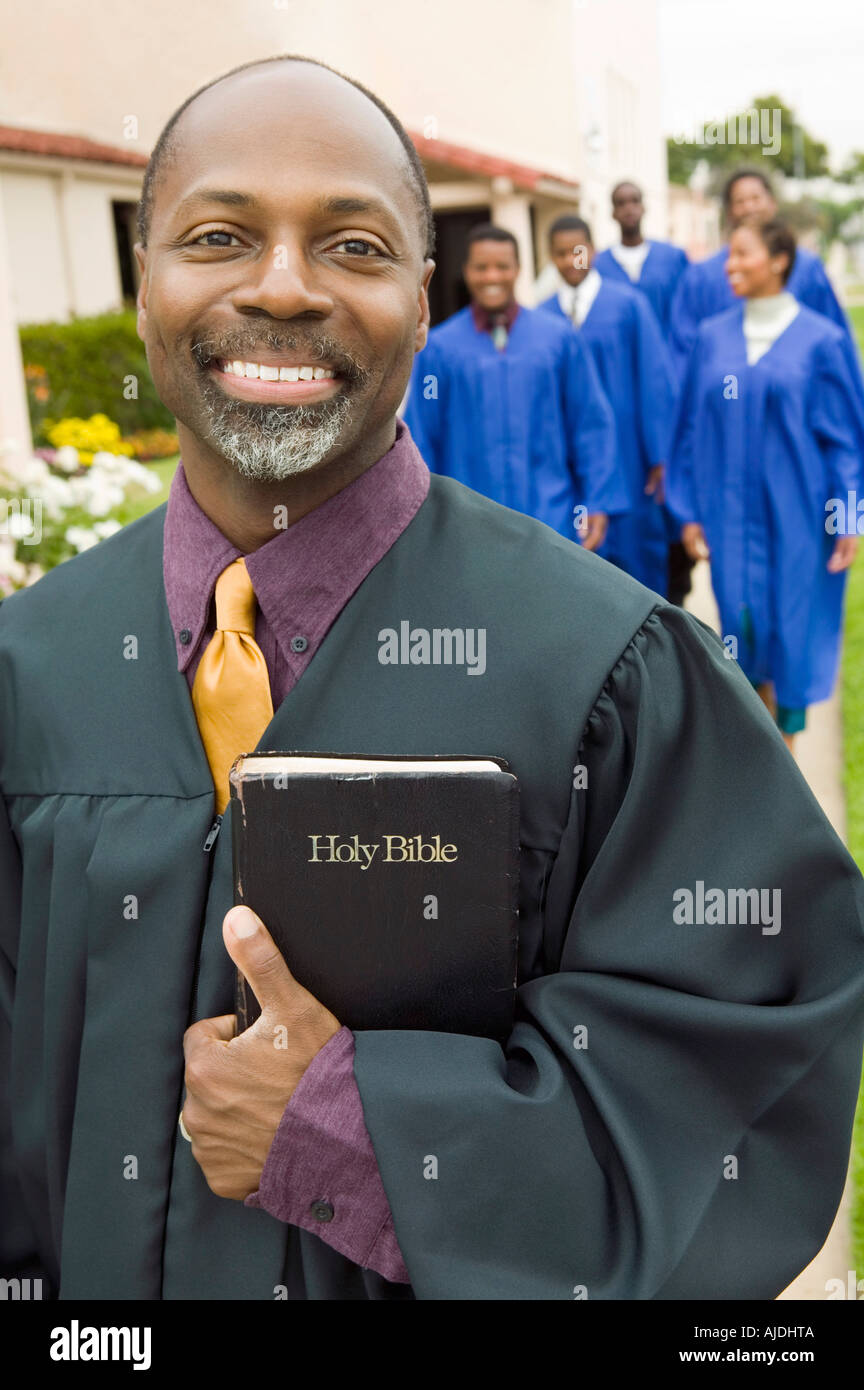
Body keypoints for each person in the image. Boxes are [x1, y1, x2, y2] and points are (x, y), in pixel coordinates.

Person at [2, 55, 864, 1304]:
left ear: (420, 293)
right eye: (220, 234)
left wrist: (351, 1131)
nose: (282, 285)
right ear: (147, 278)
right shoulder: (33, 671)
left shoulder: (607, 677)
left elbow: (736, 1094)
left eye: (351, 244)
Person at [667, 216, 864, 753]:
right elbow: (687, 428)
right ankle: (761, 761)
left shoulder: (820, 340)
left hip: (799, 513)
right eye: (728, 255)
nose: (729, 266)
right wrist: (687, 511)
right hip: (730, 516)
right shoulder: (713, 337)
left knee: (792, 633)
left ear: (779, 261)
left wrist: (849, 515)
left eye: (743, 255)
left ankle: (787, 766)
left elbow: (845, 437)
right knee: (741, 625)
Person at [403, 223, 623, 549]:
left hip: (551, 521)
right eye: (481, 267)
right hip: (470, 528)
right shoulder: (439, 350)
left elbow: (589, 424)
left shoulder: (559, 340)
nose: (492, 276)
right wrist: (425, 519)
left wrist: (596, 500)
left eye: (502, 266)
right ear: (466, 271)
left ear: (517, 270)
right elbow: (423, 439)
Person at [538, 216, 678, 596]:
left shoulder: (629, 306)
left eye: (578, 251)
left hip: (629, 458)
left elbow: (655, 382)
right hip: (571, 466)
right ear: (550, 257)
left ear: (593, 251)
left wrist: (660, 456)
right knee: (582, 577)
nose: (571, 261)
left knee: (640, 568)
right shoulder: (542, 317)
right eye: (561, 253)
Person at [669, 167, 856, 378]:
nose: (749, 207)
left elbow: (834, 336)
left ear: (773, 204)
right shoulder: (702, 277)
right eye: (739, 201)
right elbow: (684, 349)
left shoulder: (807, 268)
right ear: (729, 212)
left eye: (756, 198)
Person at [593, 181, 689, 335]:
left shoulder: (672, 258)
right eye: (621, 203)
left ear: (644, 208)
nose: (629, 209)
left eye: (635, 201)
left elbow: (686, 310)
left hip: (667, 353)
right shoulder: (598, 265)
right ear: (612, 213)